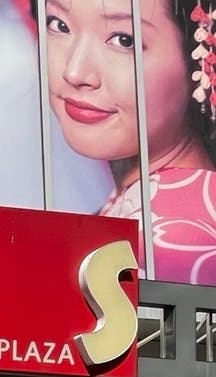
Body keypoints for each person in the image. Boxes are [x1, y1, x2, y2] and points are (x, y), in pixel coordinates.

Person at [42, 0, 216, 283]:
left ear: (202, 57)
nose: (75, 73)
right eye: (59, 24)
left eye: (125, 40)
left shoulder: (172, 242)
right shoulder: (148, 208)